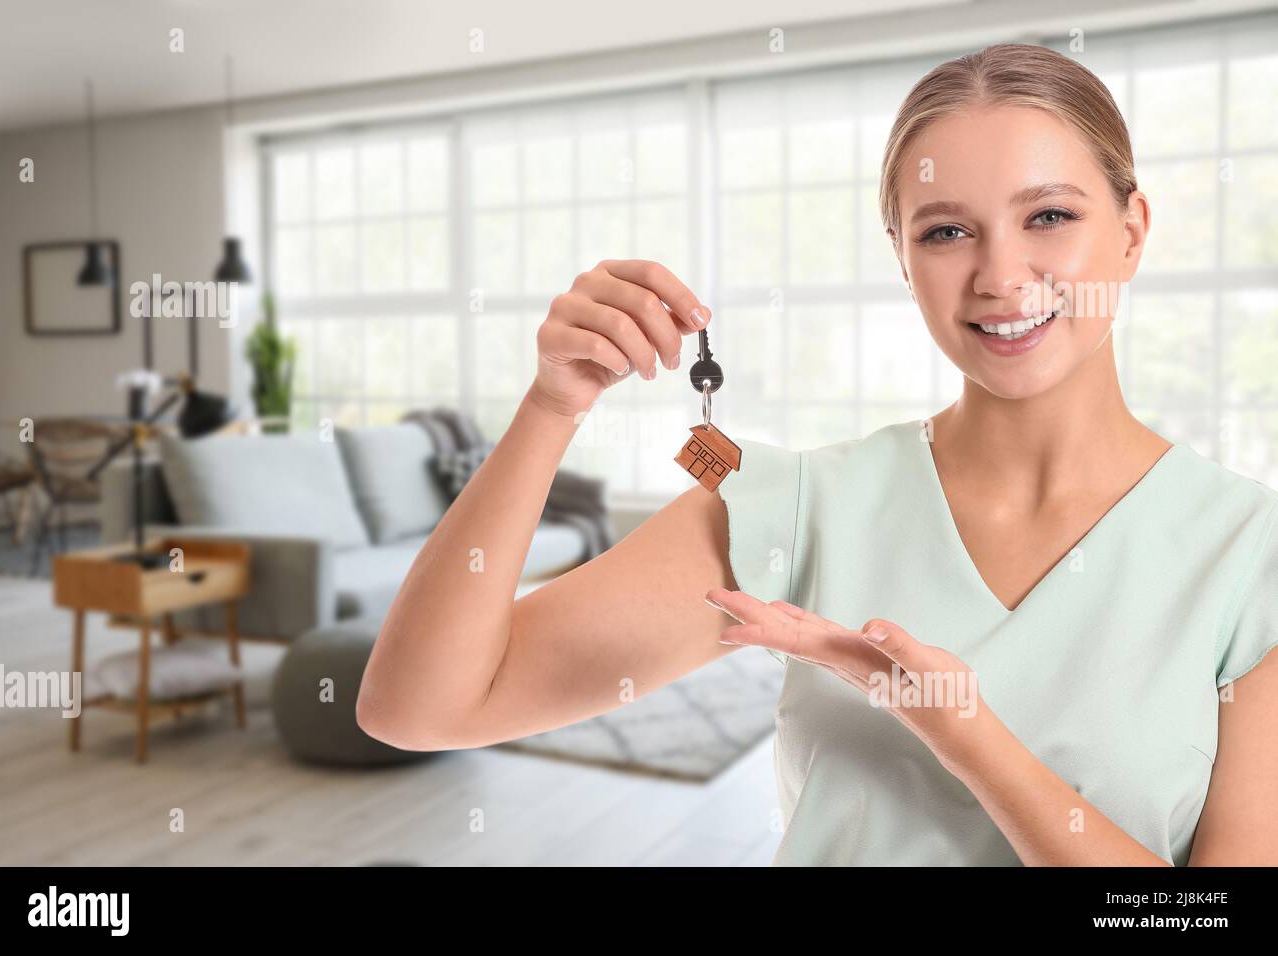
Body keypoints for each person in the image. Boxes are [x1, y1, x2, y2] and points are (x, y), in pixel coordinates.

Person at [357, 43, 1278, 866]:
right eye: (946, 230)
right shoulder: (793, 507)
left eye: (1049, 216)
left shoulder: (1249, 555)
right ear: (901, 257)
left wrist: (963, 734)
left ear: (1131, 229)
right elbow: (421, 706)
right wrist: (553, 403)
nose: (1001, 276)